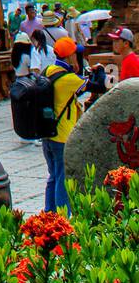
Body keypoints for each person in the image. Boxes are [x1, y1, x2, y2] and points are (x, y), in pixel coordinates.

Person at [42, 36, 85, 212]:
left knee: (53, 176)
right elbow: (97, 85)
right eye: (76, 54)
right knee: (62, 177)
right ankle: (62, 216)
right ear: (69, 57)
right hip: (62, 136)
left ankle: (49, 213)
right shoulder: (69, 80)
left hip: (46, 134)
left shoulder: (48, 71)